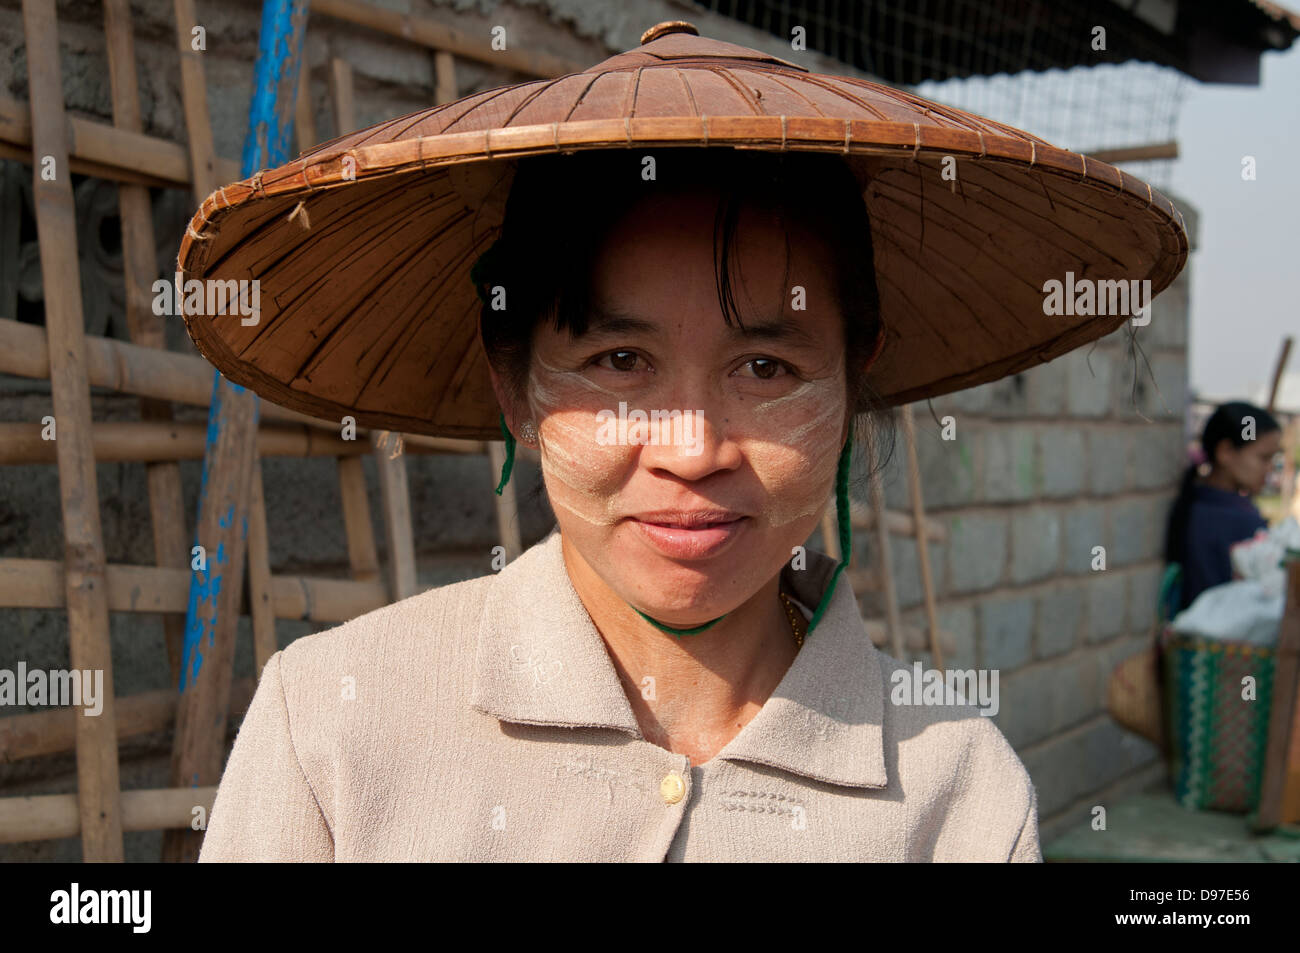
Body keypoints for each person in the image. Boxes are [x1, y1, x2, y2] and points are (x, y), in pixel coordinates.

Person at [179, 22, 1187, 861]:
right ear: (514, 384)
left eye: (766, 370)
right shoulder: (336, 726)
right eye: (619, 361)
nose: (692, 447)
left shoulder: (956, 789)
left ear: (850, 380)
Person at [1164, 401, 1282, 612]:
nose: (1270, 468)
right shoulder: (1235, 519)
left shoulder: (1196, 502)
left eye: (1273, 459)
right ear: (1226, 451)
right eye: (1264, 458)